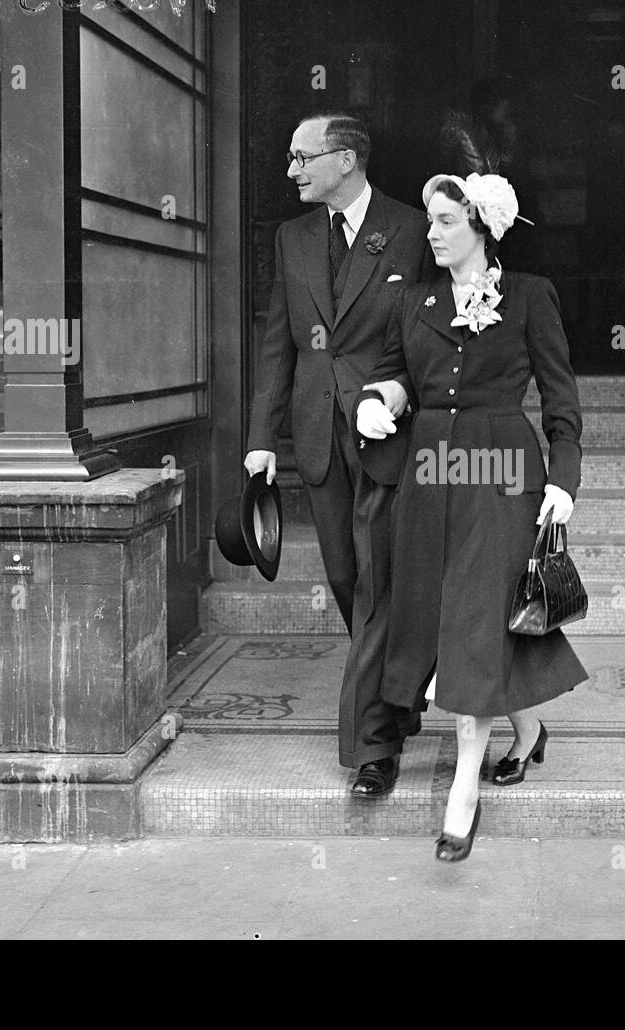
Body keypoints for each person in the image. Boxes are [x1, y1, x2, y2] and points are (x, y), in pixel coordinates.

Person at [356, 171, 587, 862]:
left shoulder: (528, 297)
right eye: (429, 219)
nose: (430, 232)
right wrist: (381, 402)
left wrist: (564, 481)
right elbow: (397, 372)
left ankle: (463, 791)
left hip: (503, 477)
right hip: (431, 476)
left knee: (474, 616)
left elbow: (560, 399)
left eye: (445, 221)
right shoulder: (417, 299)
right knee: (454, 617)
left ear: (482, 227)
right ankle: (527, 734)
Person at [244, 113, 434, 797]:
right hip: (318, 436)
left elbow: (432, 335)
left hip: (387, 436)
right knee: (350, 581)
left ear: (347, 159)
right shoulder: (292, 238)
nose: (291, 170)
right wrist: (261, 441)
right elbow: (279, 343)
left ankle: (372, 747)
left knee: (379, 587)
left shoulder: (413, 229)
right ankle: (399, 695)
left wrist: (400, 394)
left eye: (302, 157)